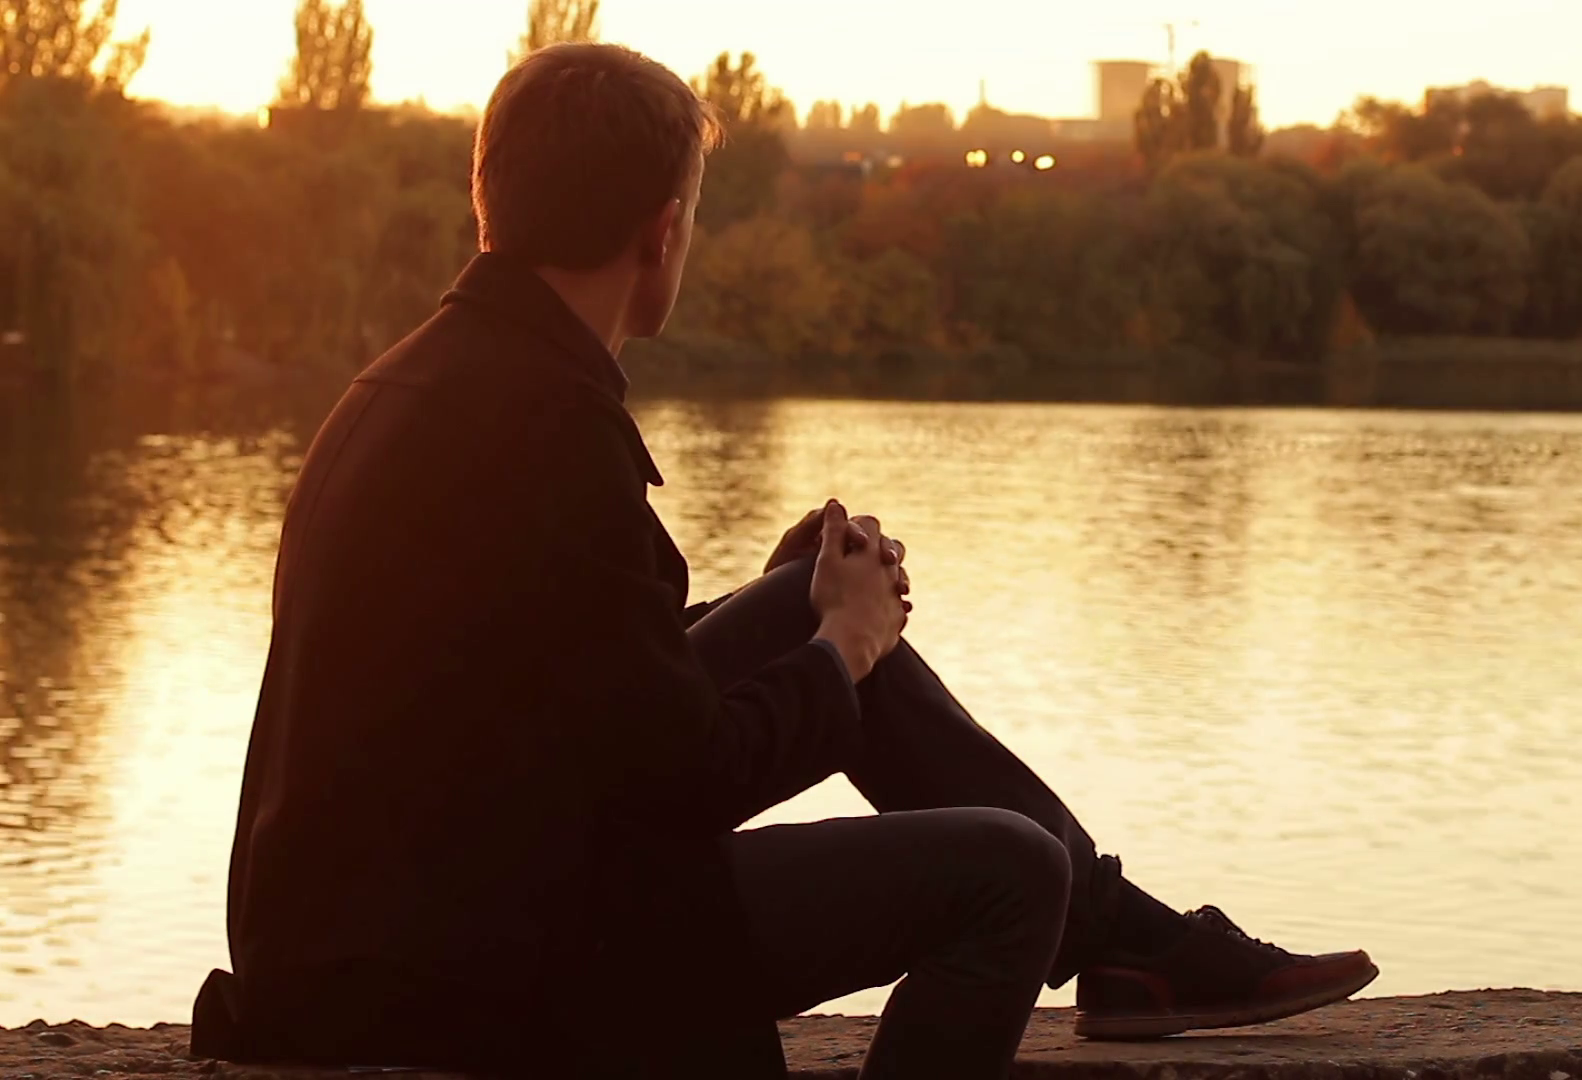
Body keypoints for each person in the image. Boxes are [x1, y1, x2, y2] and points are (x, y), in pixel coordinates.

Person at [189, 43, 1377, 1080]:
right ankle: (1113, 931)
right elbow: (675, 786)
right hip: (463, 956)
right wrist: (842, 644)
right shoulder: (543, 431)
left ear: (491, 198)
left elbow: (566, 702)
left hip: (381, 914)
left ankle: (1131, 945)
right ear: (664, 232)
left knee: (814, 614)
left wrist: (808, 626)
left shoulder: (421, 379)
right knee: (1009, 874)